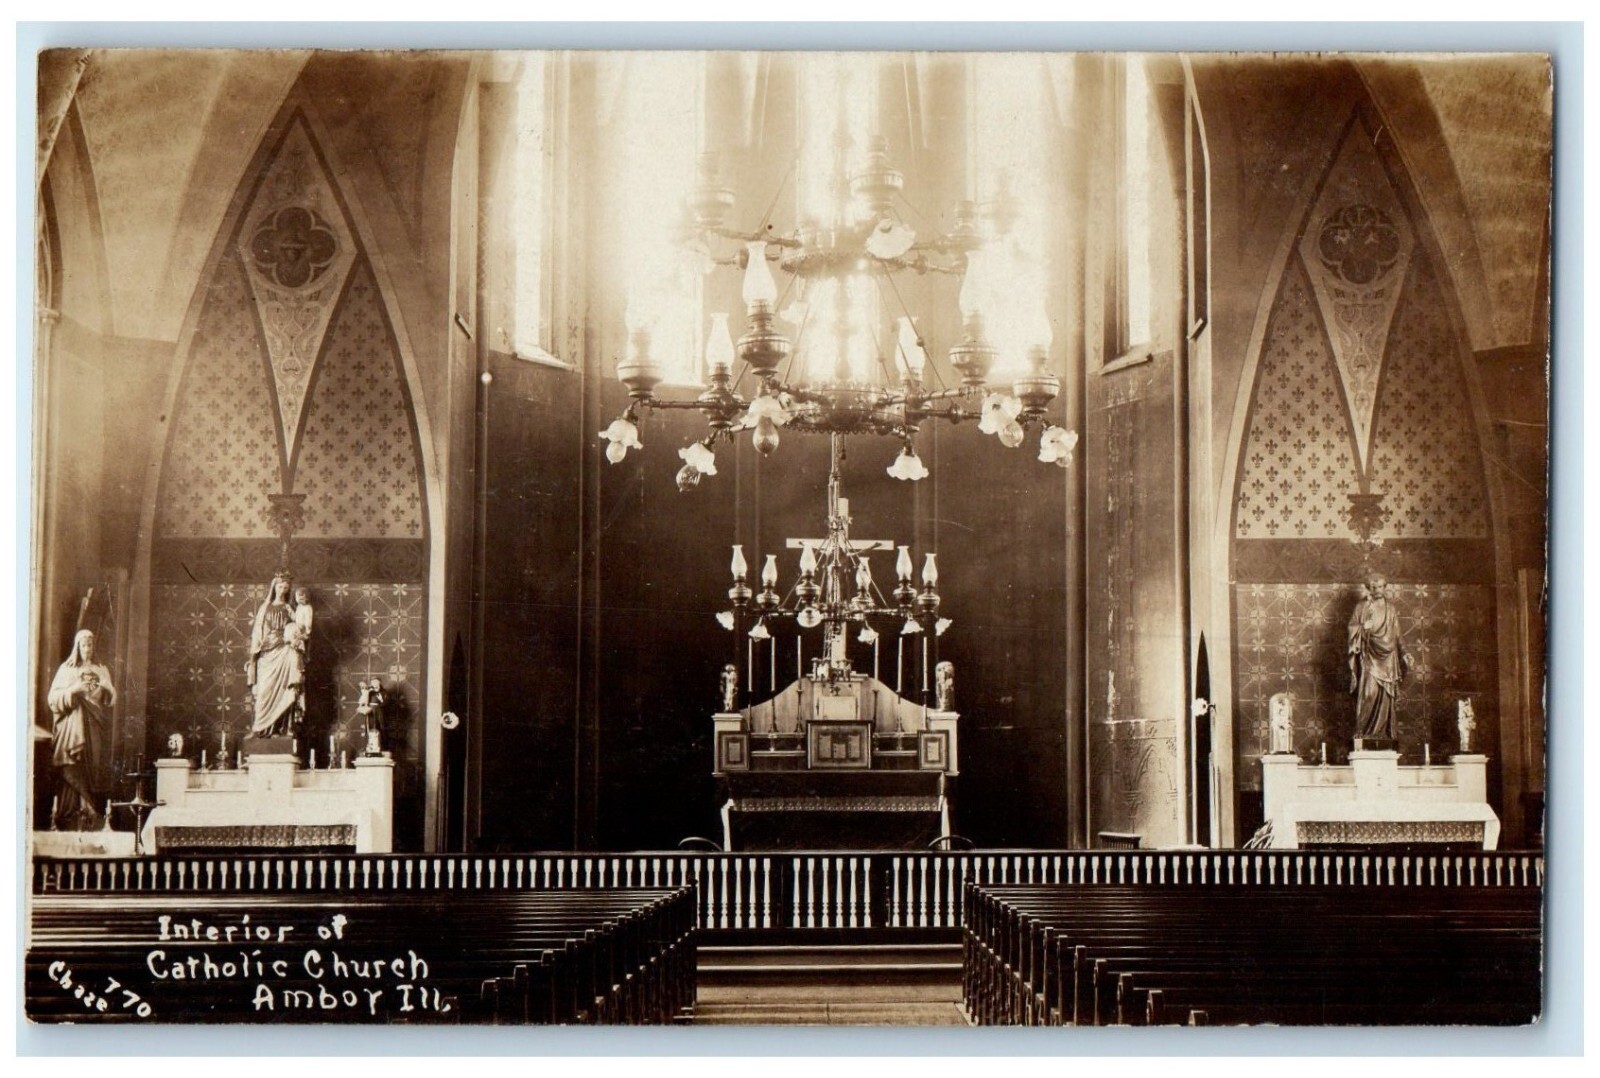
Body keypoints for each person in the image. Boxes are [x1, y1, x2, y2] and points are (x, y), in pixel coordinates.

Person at [46, 629, 116, 830]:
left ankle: (90, 812)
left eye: (90, 645)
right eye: (83, 645)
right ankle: (69, 815)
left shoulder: (102, 669)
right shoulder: (66, 670)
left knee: (91, 768)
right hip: (71, 730)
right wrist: (73, 690)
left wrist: (107, 688)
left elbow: (111, 698)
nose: (87, 648)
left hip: (94, 729)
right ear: (77, 647)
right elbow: (52, 700)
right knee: (71, 765)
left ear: (94, 647)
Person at [1348, 574, 1408, 743]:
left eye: (1380, 587)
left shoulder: (1391, 608)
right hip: (1369, 655)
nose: (1377, 590)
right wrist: (1362, 628)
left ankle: (1383, 735)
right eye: (1373, 587)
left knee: (1386, 698)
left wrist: (1405, 653)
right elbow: (1352, 628)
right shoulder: (1361, 607)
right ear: (1368, 588)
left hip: (1388, 657)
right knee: (1369, 693)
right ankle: (1362, 731)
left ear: (1384, 587)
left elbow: (1397, 634)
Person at [246, 572, 304, 737]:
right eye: (280, 587)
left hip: (285, 650)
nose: (282, 590)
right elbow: (258, 632)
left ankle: (282, 728)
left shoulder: (288, 608)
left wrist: (297, 632)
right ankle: (260, 728)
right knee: (264, 691)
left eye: (286, 588)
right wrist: (254, 654)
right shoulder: (265, 608)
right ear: (274, 587)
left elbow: (300, 627)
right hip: (266, 652)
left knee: (285, 690)